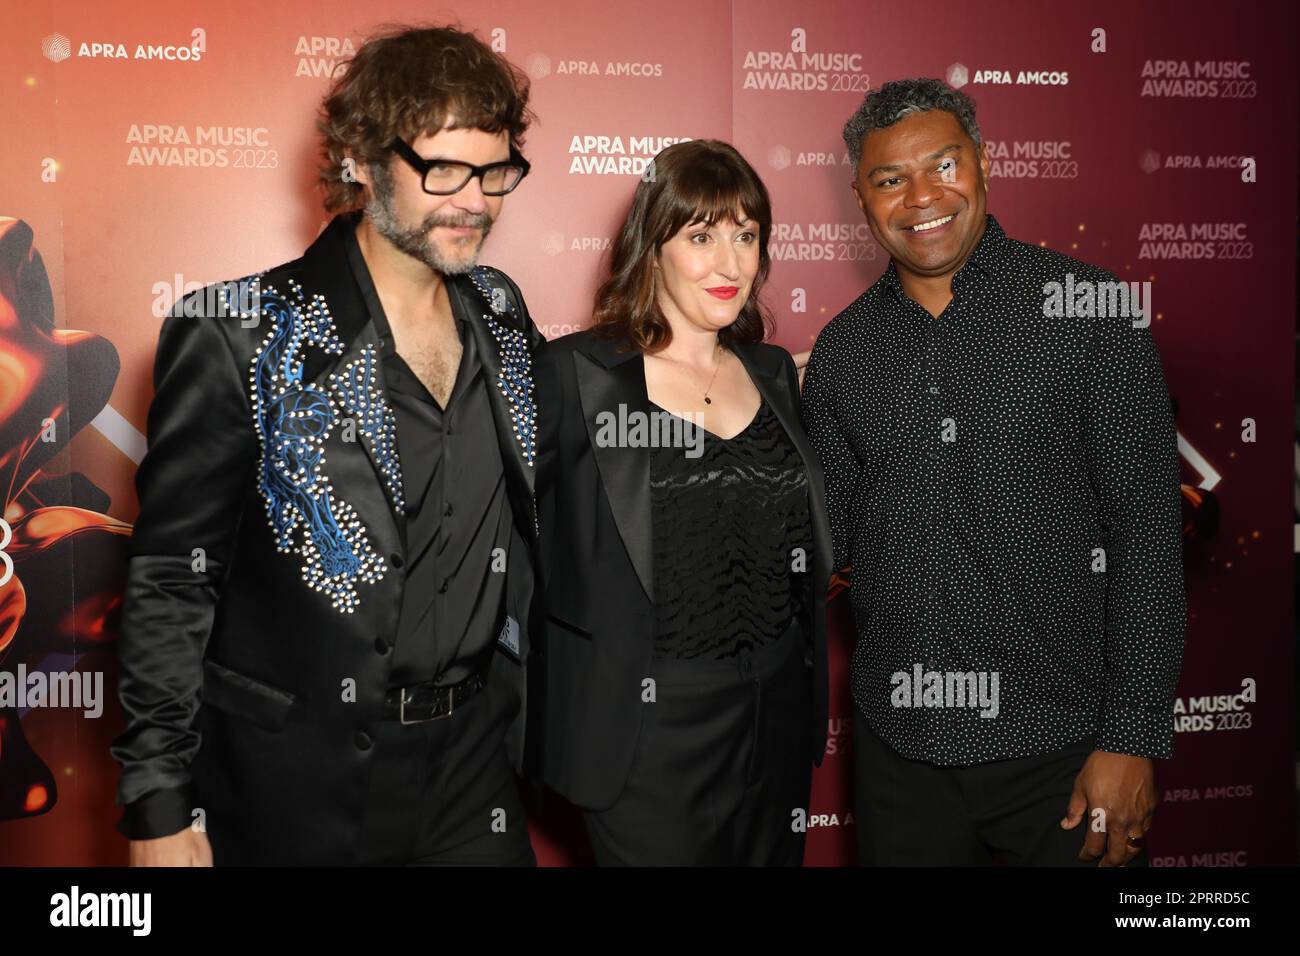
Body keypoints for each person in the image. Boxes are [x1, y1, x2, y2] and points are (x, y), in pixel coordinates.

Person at [110, 25, 544, 866]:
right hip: (298, 780)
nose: (475, 201)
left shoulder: (501, 312)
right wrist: (158, 805)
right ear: (360, 158)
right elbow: (171, 580)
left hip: (473, 765)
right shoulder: (239, 331)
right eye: (443, 170)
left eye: (495, 172)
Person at [801, 77, 1185, 866]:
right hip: (899, 757)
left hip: (1066, 754)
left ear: (983, 163)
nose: (921, 197)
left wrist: (1132, 738)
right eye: (889, 179)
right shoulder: (840, 354)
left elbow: (1147, 532)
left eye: (943, 165)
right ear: (860, 197)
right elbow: (827, 543)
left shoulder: (1090, 312)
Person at [533, 139, 833, 866]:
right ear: (653, 247)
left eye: (746, 236)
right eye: (701, 236)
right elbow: (514, 550)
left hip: (774, 712)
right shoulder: (574, 375)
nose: (730, 264)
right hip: (645, 727)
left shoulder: (769, 373)